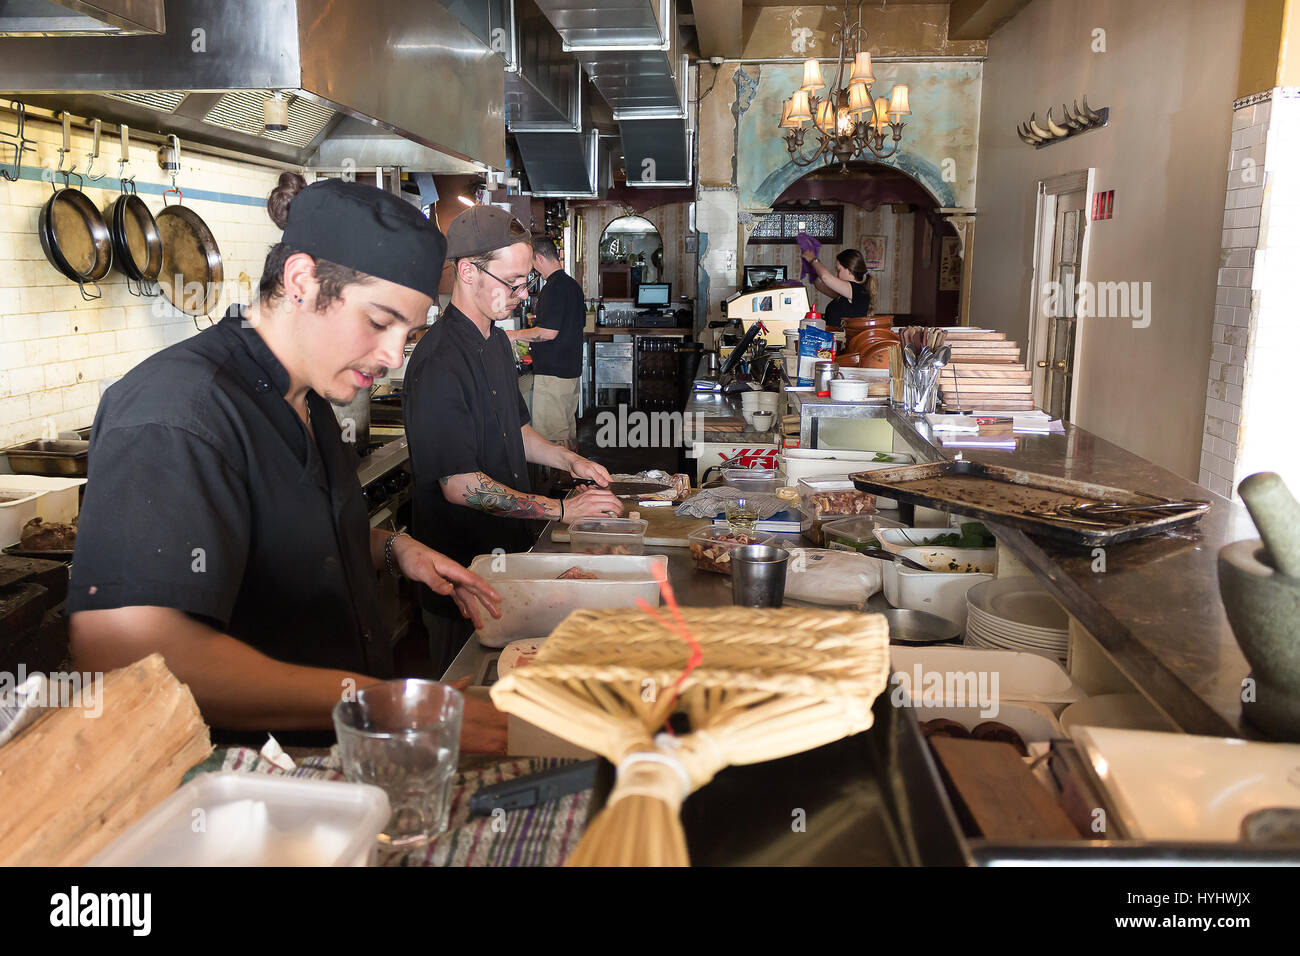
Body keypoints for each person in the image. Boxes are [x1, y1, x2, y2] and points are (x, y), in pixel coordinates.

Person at [66, 173, 506, 751]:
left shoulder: (306, 397)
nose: (393, 355)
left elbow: (287, 539)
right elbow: (123, 650)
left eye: (409, 330)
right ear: (301, 280)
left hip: (329, 767)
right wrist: (372, 703)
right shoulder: (179, 410)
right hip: (237, 792)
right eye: (379, 322)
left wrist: (395, 549)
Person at [404, 205, 622, 671]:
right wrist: (561, 510)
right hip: (462, 574)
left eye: (528, 282)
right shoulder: (440, 359)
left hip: (508, 558)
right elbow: (460, 484)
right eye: (512, 283)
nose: (522, 295)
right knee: (469, 692)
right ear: (467, 271)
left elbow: (518, 432)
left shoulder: (498, 342)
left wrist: (568, 462)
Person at [528, 235, 585, 451]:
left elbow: (548, 333)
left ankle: (562, 481)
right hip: (569, 371)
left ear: (539, 258)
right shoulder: (572, 286)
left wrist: (512, 334)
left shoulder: (553, 288)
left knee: (554, 438)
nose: (534, 269)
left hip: (553, 374)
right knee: (567, 431)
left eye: (533, 263)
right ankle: (576, 481)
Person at [801, 247, 872, 329]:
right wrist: (811, 267)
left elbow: (825, 278)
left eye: (838, 270)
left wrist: (813, 260)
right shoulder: (847, 293)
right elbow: (819, 285)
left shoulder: (857, 289)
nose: (836, 274)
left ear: (850, 270)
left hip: (844, 340)